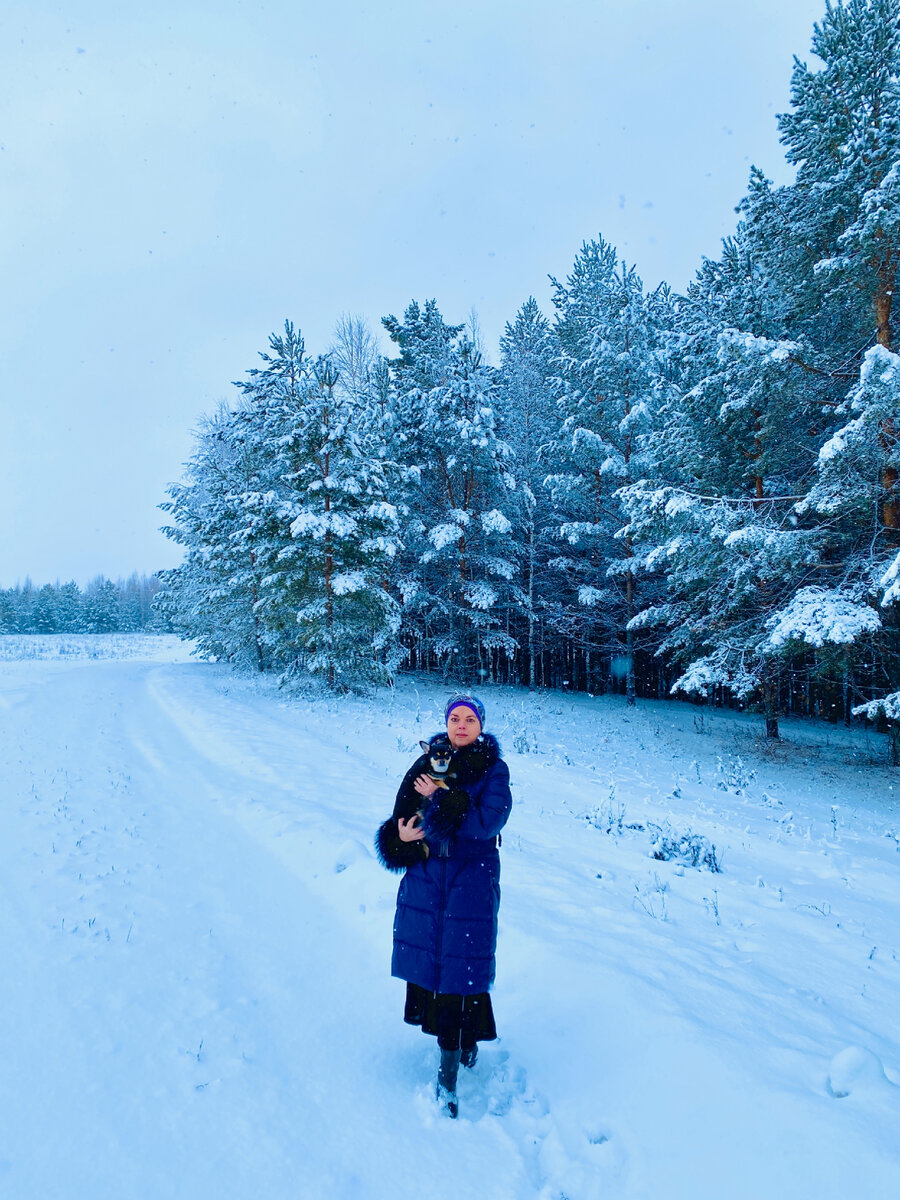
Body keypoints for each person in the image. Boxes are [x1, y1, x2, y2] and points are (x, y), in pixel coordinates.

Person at [375, 693, 512, 1118]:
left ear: (481, 725)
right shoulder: (427, 762)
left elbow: (485, 822)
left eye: (470, 718)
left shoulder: (493, 768)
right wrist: (402, 839)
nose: (462, 725)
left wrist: (440, 798)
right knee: (439, 970)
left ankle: (448, 1078)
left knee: (461, 970)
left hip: (470, 879)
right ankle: (461, 1044)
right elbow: (401, 816)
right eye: (455, 718)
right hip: (429, 879)